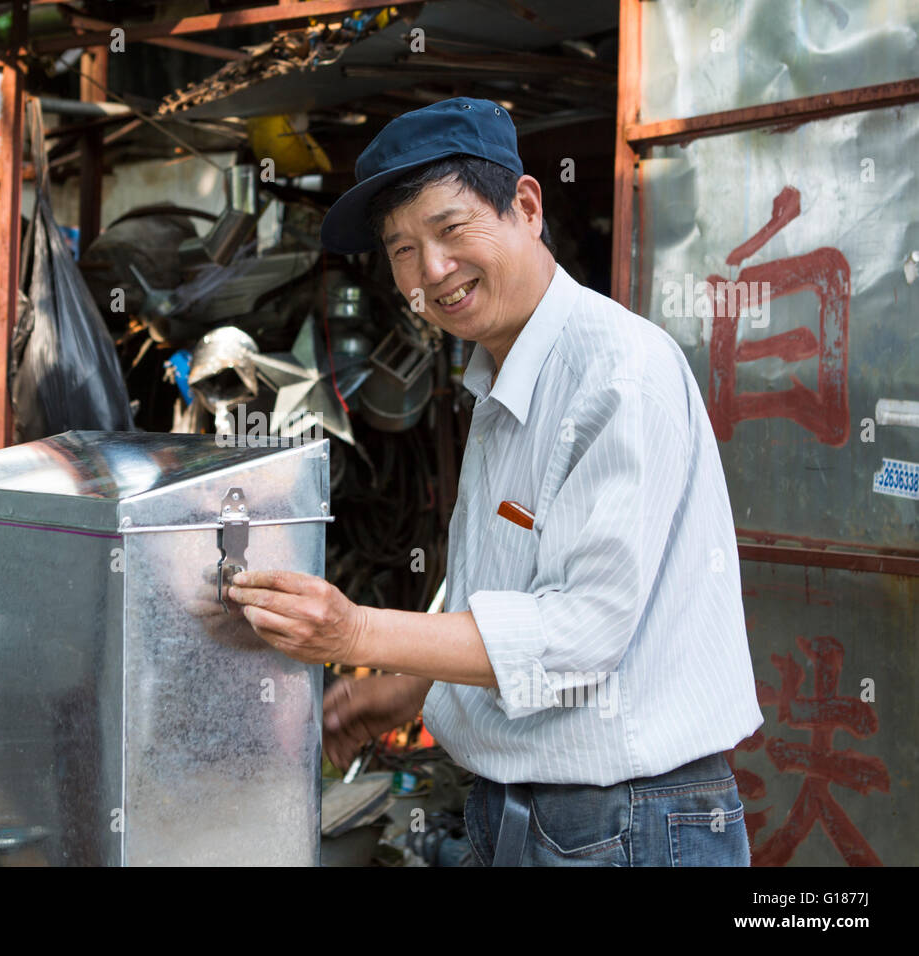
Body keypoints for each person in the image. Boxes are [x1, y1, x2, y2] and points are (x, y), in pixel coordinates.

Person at [224, 96, 764, 866]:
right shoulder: (499, 379)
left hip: (628, 825)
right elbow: (520, 606)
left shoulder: (617, 371)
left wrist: (354, 632)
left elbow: (580, 633)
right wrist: (407, 690)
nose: (431, 272)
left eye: (450, 229)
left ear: (526, 206)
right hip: (524, 815)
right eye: (403, 249)